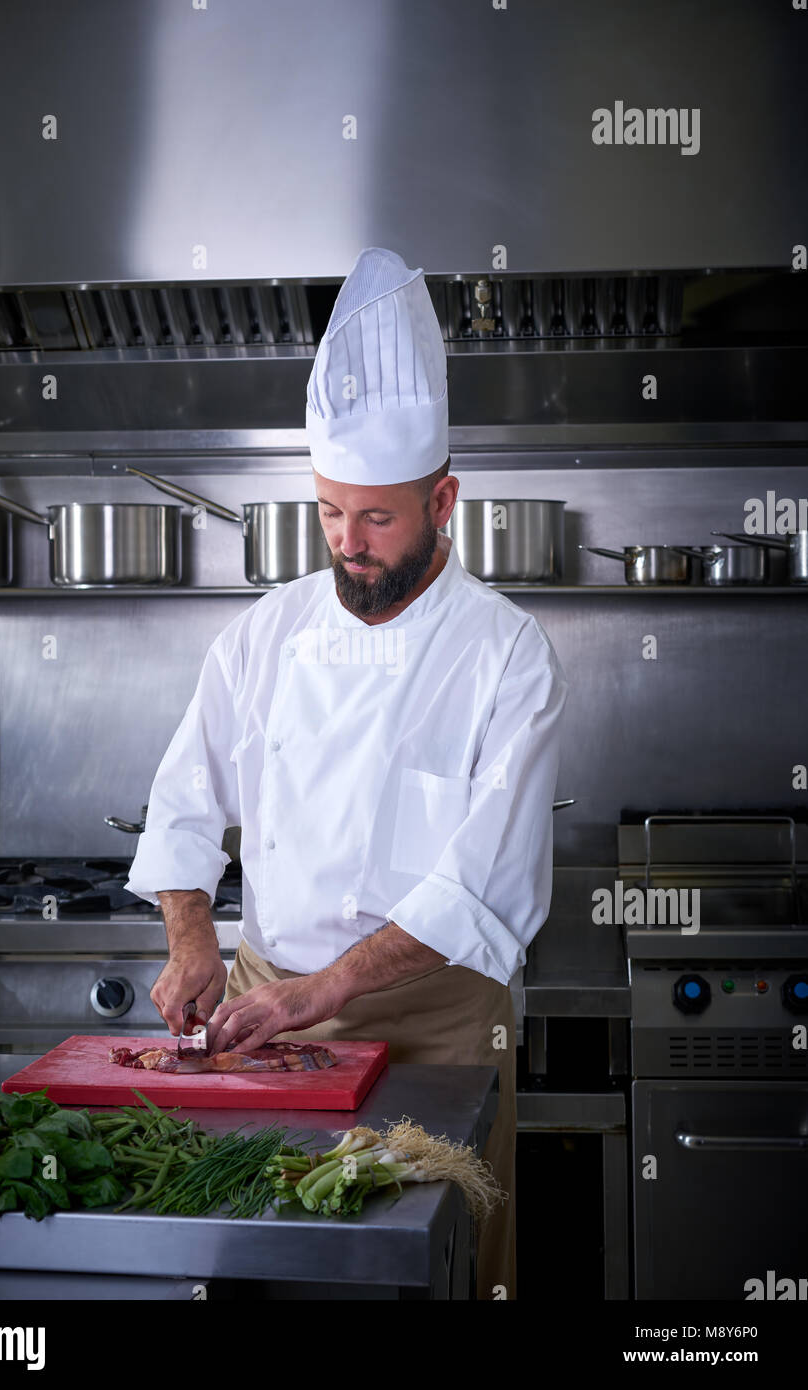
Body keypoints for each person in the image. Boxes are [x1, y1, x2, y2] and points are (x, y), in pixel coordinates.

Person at [125, 247, 568, 1298]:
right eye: (330, 512)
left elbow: (481, 888)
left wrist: (325, 993)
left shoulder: (505, 655)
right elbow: (185, 806)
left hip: (434, 1023)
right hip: (263, 1002)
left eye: (376, 518)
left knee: (424, 1265)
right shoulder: (263, 634)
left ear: (443, 498)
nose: (348, 544)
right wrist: (194, 940)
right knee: (262, 1257)